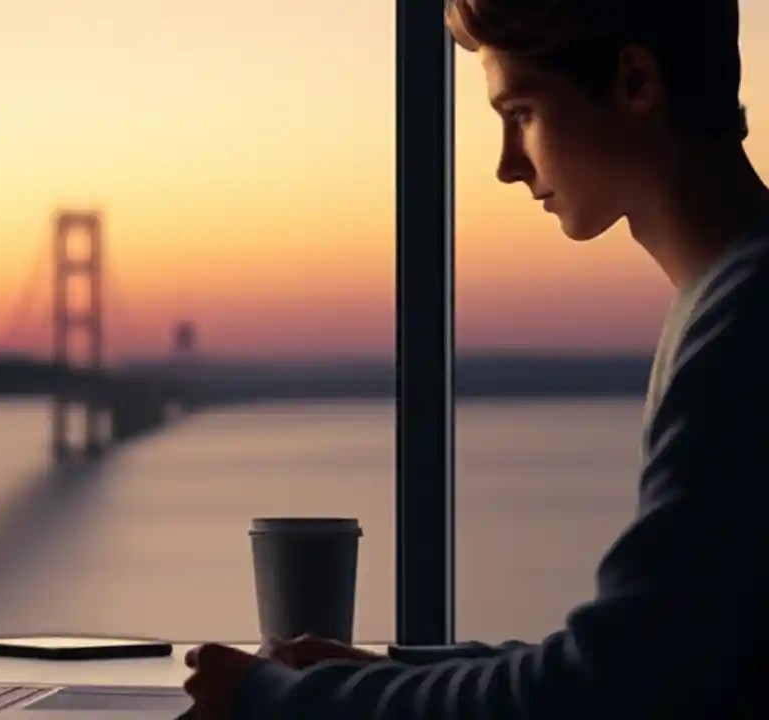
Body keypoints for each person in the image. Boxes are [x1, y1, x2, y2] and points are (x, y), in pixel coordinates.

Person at [182, 0, 769, 717]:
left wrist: (278, 700)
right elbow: (658, 652)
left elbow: (612, 688)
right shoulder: (727, 299)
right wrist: (386, 675)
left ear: (635, 83)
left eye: (521, 112)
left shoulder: (745, 326)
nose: (506, 165)